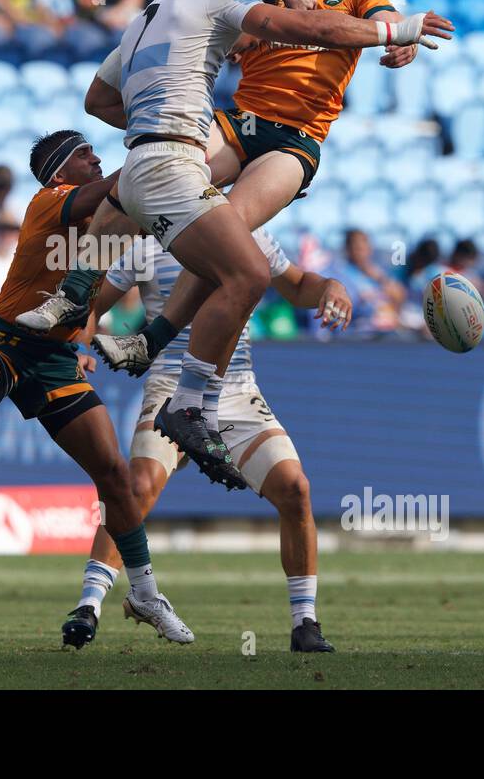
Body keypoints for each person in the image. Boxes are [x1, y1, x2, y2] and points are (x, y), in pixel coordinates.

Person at [15, 0, 451, 486]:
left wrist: (154, 112)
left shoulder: (145, 19)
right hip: (179, 156)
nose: (246, 46)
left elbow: (97, 101)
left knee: (152, 207)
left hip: (146, 159)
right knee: (246, 274)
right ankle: (191, 403)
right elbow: (311, 30)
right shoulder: (218, 3)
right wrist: (398, 29)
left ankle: (84, 301)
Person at [0, 131, 195, 643]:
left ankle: (143, 591)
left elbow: (91, 301)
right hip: (7, 334)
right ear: (58, 172)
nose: (96, 158)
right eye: (83, 153)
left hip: (52, 356)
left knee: (115, 477)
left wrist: (80, 342)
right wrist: (163, 152)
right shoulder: (49, 202)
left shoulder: (109, 226)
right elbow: (126, 185)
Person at [61, 227, 350, 651]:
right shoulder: (147, 241)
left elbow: (300, 286)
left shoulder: (250, 233)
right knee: (137, 488)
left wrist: (332, 287)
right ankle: (89, 605)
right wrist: (81, 343)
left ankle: (305, 623)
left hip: (233, 390)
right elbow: (93, 304)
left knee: (295, 489)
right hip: (170, 384)